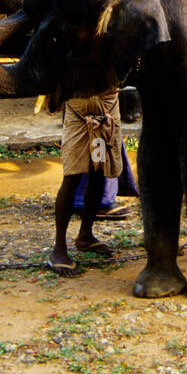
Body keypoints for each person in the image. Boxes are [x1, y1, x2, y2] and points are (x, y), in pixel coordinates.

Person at [50, 89, 124, 273]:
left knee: (98, 169)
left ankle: (86, 235)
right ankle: (59, 248)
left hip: (107, 106)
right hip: (78, 108)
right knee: (72, 176)